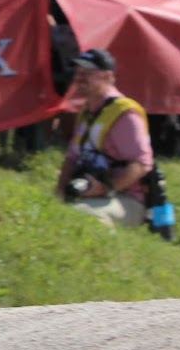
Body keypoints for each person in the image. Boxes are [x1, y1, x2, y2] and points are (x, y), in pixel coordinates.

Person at [55, 48, 155, 229]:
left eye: (87, 73)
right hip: (88, 193)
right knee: (59, 213)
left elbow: (141, 164)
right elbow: (71, 159)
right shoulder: (86, 112)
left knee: (82, 215)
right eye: (78, 73)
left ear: (108, 77)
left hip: (126, 198)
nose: (80, 78)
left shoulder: (125, 113)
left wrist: (106, 188)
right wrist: (59, 194)